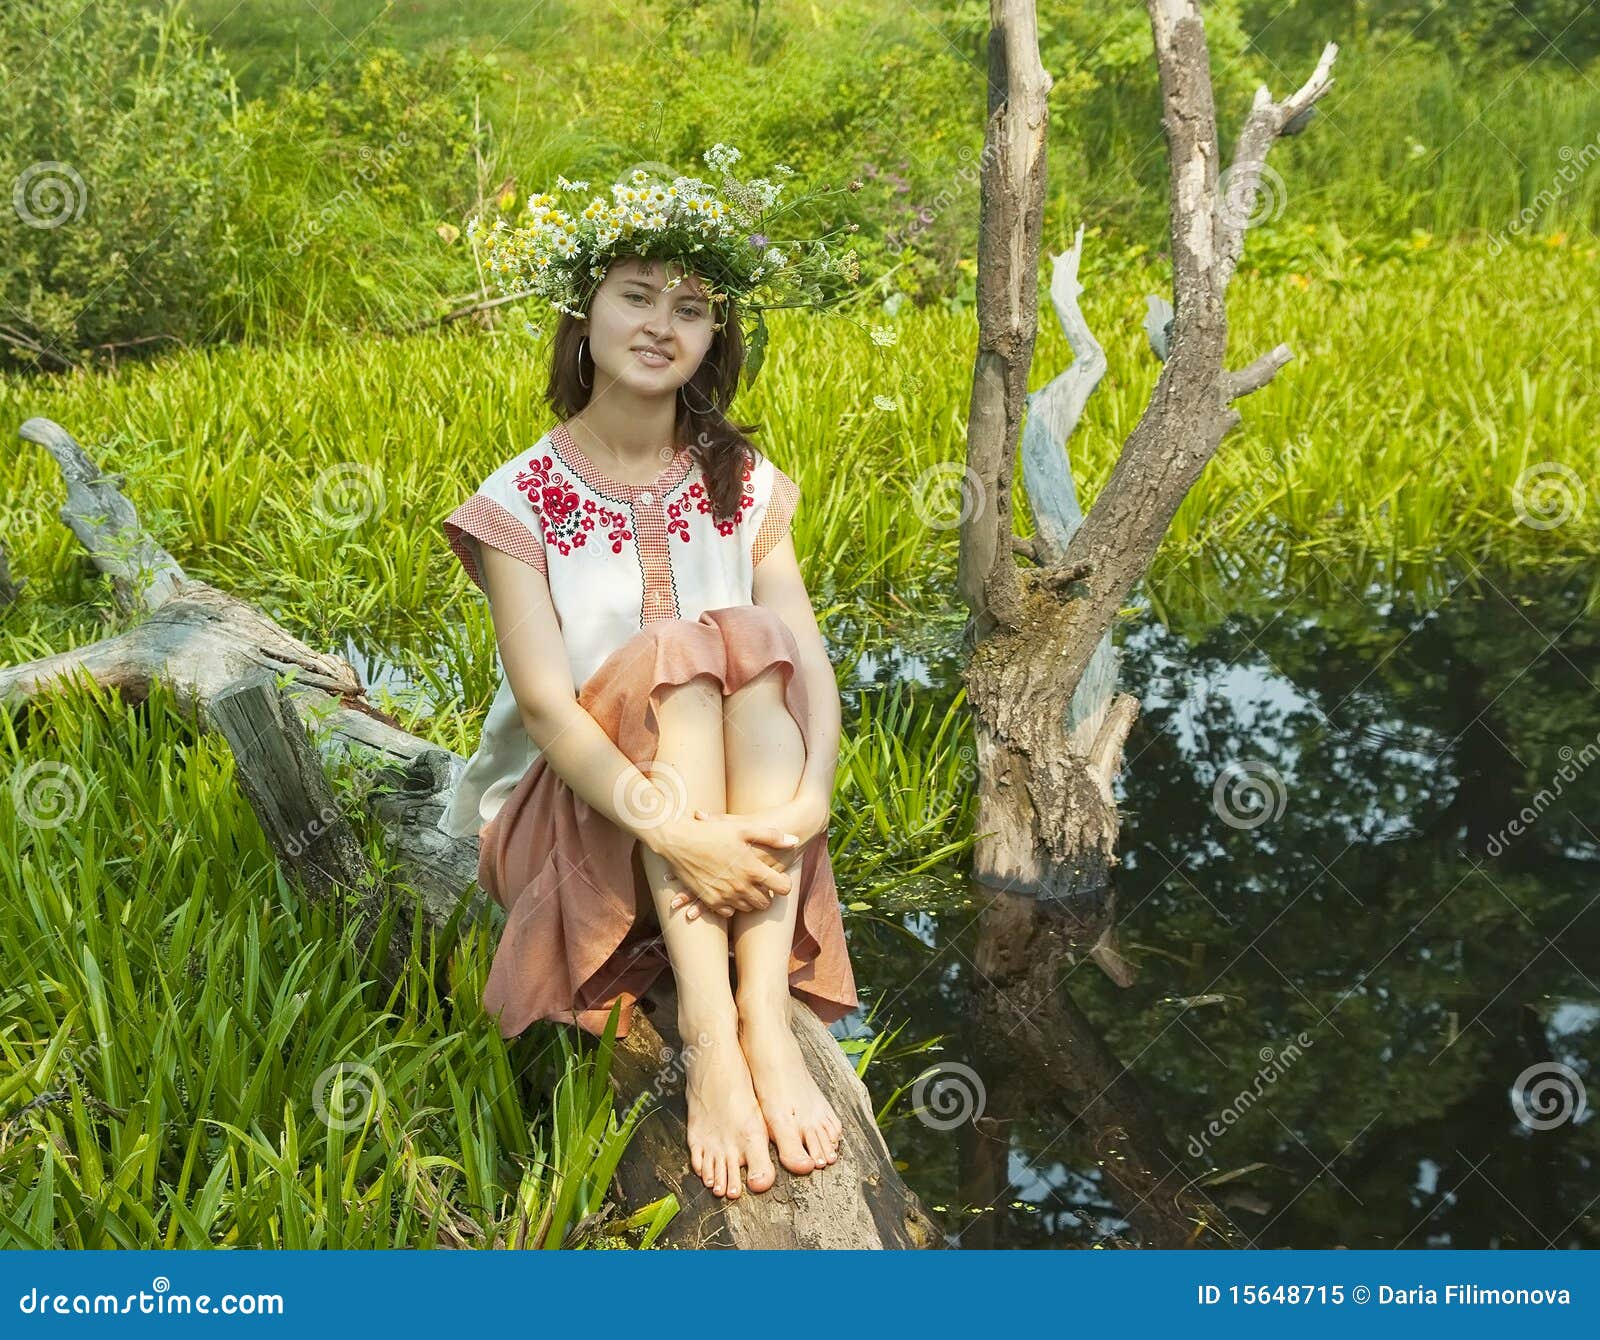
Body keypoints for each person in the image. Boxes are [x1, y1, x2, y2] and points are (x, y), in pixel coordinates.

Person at [438, 151, 864, 1202]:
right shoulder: (520, 498)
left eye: (691, 307)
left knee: (750, 643)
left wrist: (812, 795)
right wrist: (675, 831)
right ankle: (710, 1043)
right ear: (583, 313)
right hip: (581, 816)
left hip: (744, 808)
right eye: (636, 295)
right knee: (680, 653)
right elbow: (546, 705)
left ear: (715, 339)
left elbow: (805, 653)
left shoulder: (741, 482)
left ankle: (763, 1015)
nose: (661, 323)